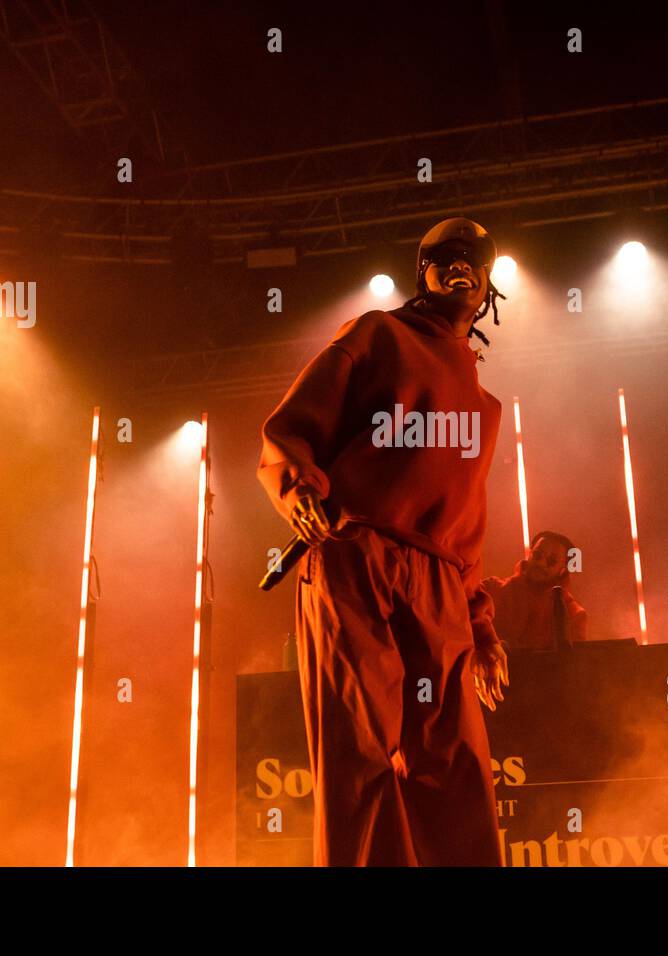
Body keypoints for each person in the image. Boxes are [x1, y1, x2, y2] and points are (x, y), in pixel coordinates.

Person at [257, 217, 510, 866]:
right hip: (356, 554)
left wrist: (479, 626)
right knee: (361, 754)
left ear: (487, 288)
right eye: (446, 258)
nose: (461, 268)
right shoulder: (378, 334)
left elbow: (465, 520)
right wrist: (298, 487)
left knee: (456, 766)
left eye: (474, 262)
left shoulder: (484, 405)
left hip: (439, 585)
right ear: (420, 271)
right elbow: (291, 429)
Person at [483, 531, 588, 652]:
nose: (541, 563)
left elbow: (574, 666)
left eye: (552, 561)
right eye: (537, 555)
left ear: (563, 570)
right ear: (529, 554)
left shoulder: (573, 616)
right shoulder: (491, 591)